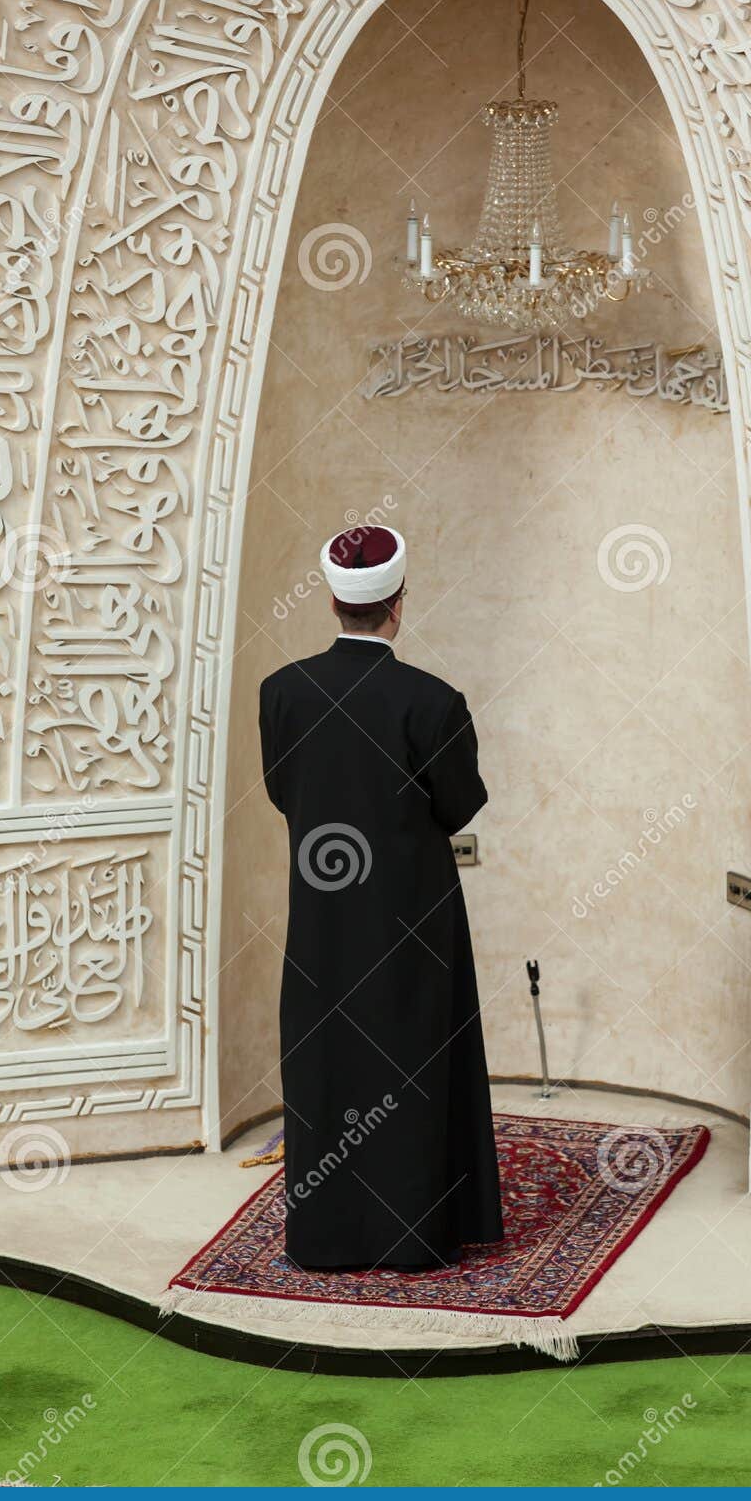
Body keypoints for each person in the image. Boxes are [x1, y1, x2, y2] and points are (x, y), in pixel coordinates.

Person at [258, 524, 503, 1271]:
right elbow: (459, 805)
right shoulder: (430, 701)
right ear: (396, 602)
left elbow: (283, 793)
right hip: (411, 913)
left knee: (330, 1055)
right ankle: (414, 1236)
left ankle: (329, 1236)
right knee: (412, 1054)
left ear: (334, 600)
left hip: (324, 912)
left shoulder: (282, 692)